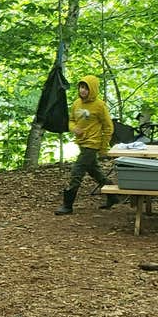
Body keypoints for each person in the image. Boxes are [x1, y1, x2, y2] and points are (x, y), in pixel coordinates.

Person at [55, 74, 120, 215]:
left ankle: (67, 205)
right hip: (82, 143)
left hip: (92, 144)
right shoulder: (77, 103)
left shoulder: (100, 106)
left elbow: (108, 127)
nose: (83, 91)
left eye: (86, 88)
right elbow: (71, 120)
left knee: (76, 172)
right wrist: (74, 128)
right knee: (95, 172)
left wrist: (103, 147)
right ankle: (113, 195)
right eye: (81, 87)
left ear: (93, 89)